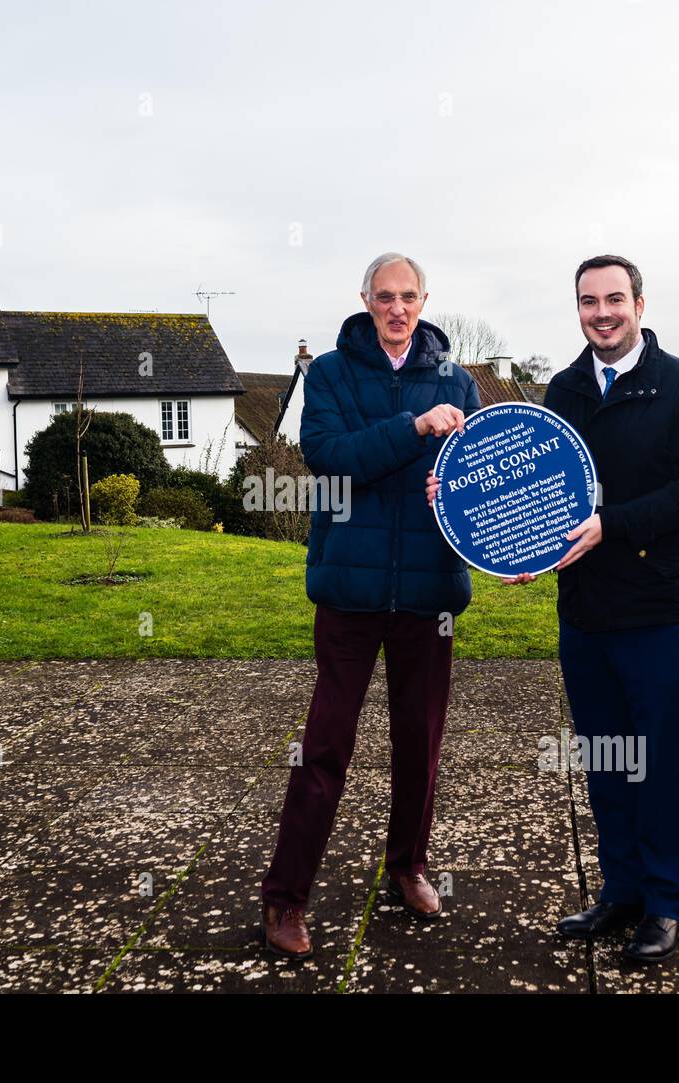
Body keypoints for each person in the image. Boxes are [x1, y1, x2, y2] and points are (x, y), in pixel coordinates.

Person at [426, 254, 679, 964]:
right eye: (589, 302)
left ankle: (663, 902)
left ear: (640, 304)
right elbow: (531, 480)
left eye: (614, 299)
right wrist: (482, 520)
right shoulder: (562, 388)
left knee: (662, 761)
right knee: (606, 758)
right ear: (579, 309)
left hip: (658, 606)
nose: (602, 313)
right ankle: (619, 890)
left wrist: (611, 525)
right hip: (586, 609)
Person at [260, 252, 480, 959]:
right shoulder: (328, 373)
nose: (397, 308)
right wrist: (415, 429)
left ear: (424, 300)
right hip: (350, 594)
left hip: (429, 594)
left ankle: (409, 866)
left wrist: (486, 527)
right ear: (364, 299)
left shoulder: (459, 381)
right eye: (384, 296)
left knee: (421, 743)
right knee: (324, 745)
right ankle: (286, 898)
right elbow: (329, 456)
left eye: (408, 296)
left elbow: (479, 482)